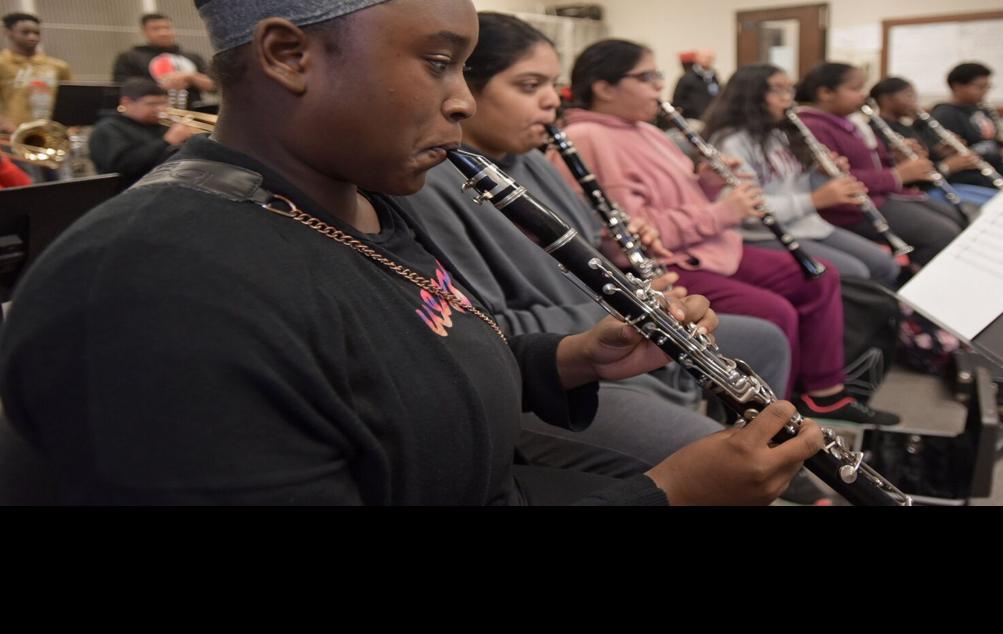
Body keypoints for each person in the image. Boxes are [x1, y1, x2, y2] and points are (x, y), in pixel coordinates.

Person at [0, 0, 823, 505]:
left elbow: (395, 354)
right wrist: (666, 496)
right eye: (439, 63)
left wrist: (568, 358)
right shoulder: (155, 292)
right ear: (289, 55)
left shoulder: (354, 198)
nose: (463, 99)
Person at [396, 12, 825, 502]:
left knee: (764, 337)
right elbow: (484, 326)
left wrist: (617, 244)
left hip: (598, 330)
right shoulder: (427, 184)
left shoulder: (532, 158)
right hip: (543, 370)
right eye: (529, 84)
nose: (549, 101)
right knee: (700, 449)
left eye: (553, 84)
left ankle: (767, 449)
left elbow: (578, 246)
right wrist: (621, 309)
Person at [555, 38, 899, 425]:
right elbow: (629, 234)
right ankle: (766, 427)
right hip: (669, 263)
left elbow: (680, 199)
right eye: (647, 77)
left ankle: (824, 394)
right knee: (775, 313)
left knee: (819, 278)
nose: (659, 86)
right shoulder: (588, 138)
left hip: (714, 245)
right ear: (603, 87)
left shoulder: (648, 131)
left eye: (658, 75)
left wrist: (709, 182)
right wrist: (724, 212)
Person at [702, 64, 897, 286]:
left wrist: (823, 175)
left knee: (884, 264)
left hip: (807, 224)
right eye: (778, 90)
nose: (787, 98)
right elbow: (748, 208)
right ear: (751, 95)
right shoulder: (731, 142)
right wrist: (815, 199)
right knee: (856, 273)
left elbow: (794, 185)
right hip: (762, 234)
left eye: (789, 89)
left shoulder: (780, 134)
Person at [792, 62, 963, 266]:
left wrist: (895, 157)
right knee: (941, 233)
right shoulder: (811, 126)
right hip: (851, 210)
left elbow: (874, 163)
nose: (863, 95)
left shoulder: (850, 121)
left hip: (882, 196)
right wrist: (898, 175)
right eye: (855, 89)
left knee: (956, 217)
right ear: (826, 93)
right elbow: (836, 178)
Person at [867, 76, 995, 207]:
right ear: (888, 99)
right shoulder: (876, 131)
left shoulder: (907, 127)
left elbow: (925, 159)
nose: (914, 103)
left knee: (995, 198)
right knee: (985, 206)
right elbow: (905, 173)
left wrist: (941, 153)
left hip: (939, 185)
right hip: (922, 191)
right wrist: (947, 167)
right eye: (908, 96)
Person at [929, 62, 1003, 190]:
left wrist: (1002, 139)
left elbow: (986, 140)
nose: (985, 92)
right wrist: (1001, 153)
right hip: (971, 177)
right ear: (957, 87)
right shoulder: (945, 114)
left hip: (995, 169)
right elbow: (961, 156)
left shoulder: (982, 109)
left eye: (987, 87)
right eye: (980, 87)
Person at [88, 78, 200, 187]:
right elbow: (123, 166)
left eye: (163, 103)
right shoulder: (107, 128)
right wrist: (167, 141)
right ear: (126, 102)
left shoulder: (161, 125)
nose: (160, 109)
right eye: (151, 104)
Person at [111, 13, 217, 110]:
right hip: (150, 116)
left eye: (167, 28)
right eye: (156, 29)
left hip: (192, 112)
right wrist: (162, 86)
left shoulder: (193, 57)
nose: (163, 33)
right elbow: (123, 89)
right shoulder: (129, 57)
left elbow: (215, 86)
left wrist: (190, 77)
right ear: (143, 31)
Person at [0, 13, 73, 139]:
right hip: (10, 135)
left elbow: (71, 99)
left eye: (36, 33)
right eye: (25, 32)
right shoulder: (2, 64)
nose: (32, 37)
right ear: (8, 32)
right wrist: (4, 123)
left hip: (50, 136)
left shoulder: (58, 66)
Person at [669, 48, 720, 121]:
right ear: (697, 59)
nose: (707, 60)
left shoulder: (714, 78)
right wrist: (690, 111)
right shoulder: (687, 78)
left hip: (711, 118)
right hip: (692, 119)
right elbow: (677, 100)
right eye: (705, 57)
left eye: (710, 58)